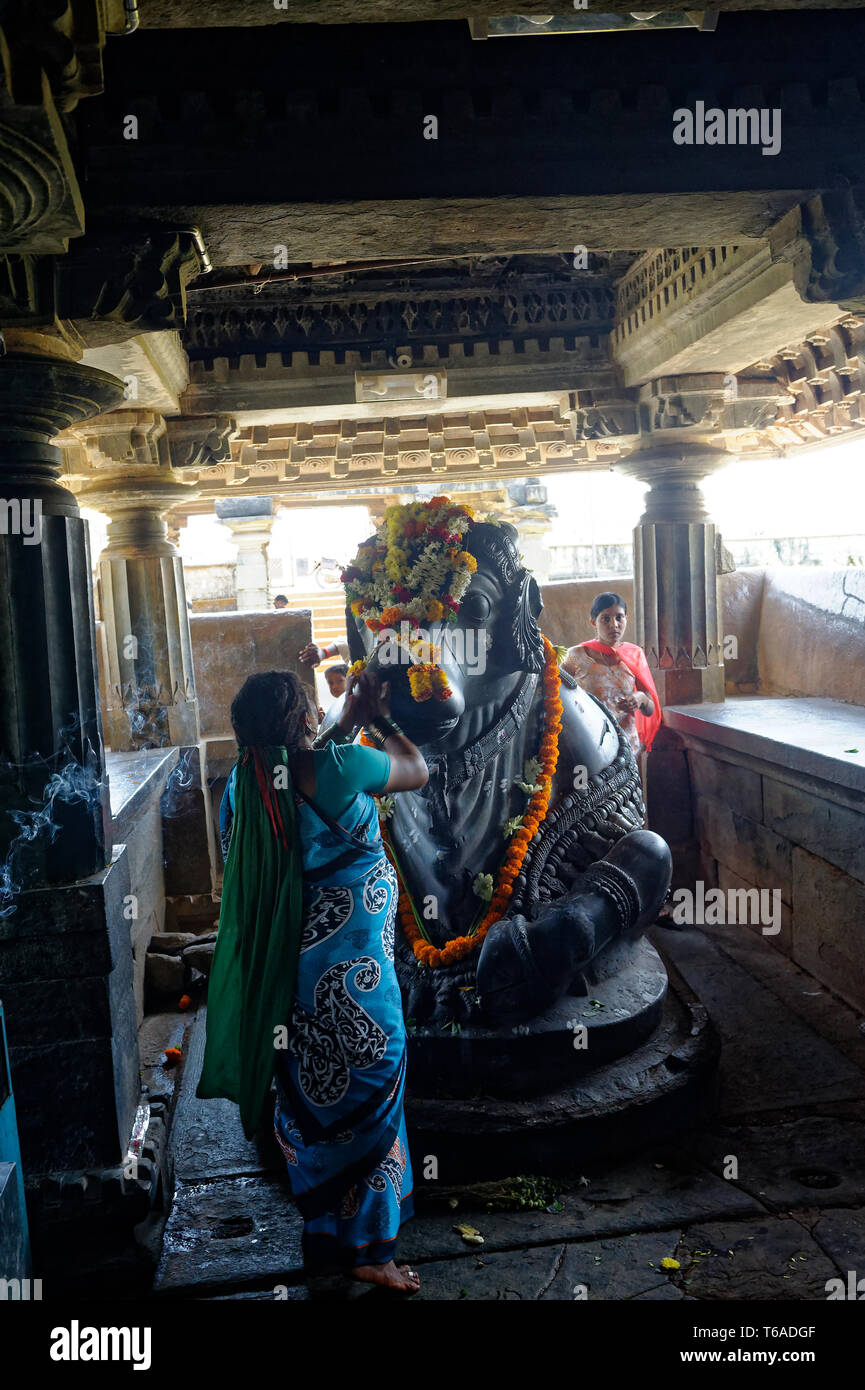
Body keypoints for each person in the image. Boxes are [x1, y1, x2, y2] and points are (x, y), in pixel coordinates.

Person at [197, 666, 428, 1292]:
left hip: (286, 984)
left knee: (310, 1099)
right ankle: (371, 1252)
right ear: (304, 721)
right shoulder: (345, 765)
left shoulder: (243, 790)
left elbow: (298, 769)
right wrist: (378, 717)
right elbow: (415, 768)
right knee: (374, 1092)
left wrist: (343, 721)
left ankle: (326, 1233)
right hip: (359, 979)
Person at [562, 592, 661, 760]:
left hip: (627, 749)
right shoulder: (575, 655)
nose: (614, 625)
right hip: (590, 747)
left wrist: (641, 699)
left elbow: (650, 710)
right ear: (593, 621)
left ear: (626, 619)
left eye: (619, 618)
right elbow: (556, 696)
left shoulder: (634, 655)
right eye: (605, 619)